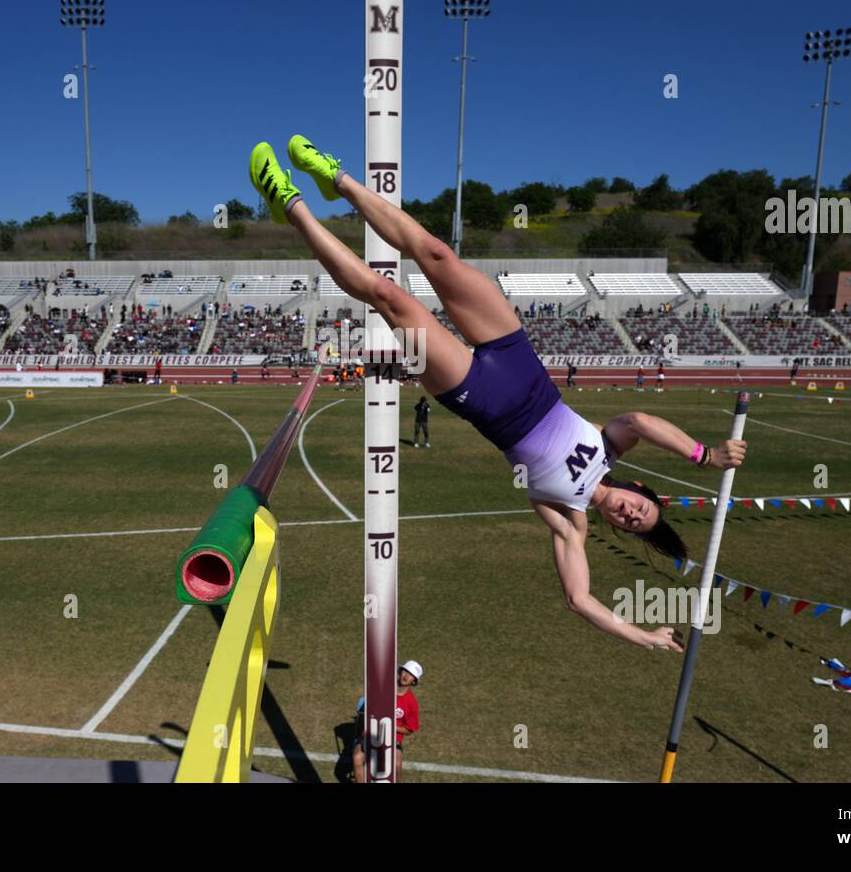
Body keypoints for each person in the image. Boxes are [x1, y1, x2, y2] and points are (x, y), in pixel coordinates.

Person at [251, 135, 747, 650]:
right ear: (638, 491)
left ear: (616, 527)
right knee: (435, 253)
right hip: (517, 356)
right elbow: (642, 420)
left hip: (477, 395)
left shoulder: (569, 521)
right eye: (638, 509)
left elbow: (579, 600)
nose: (628, 514)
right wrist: (703, 455)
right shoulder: (611, 444)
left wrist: (640, 636)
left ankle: (290, 204)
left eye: (629, 524)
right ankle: (338, 179)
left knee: (389, 297)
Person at [352, 661, 422, 783]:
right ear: (400, 672)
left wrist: (389, 724)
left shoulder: (412, 702)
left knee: (397, 766)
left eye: (411, 675)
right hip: (372, 730)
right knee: (357, 757)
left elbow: (409, 729)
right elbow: (365, 708)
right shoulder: (382, 687)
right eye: (405, 671)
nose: (406, 676)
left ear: (414, 681)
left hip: (393, 737)